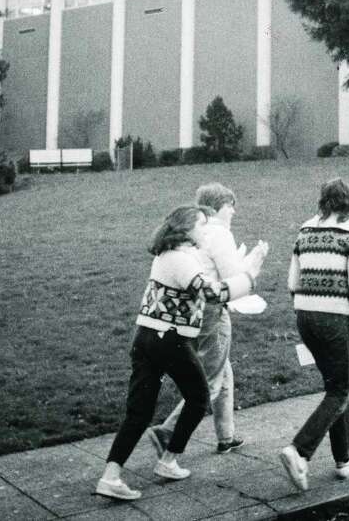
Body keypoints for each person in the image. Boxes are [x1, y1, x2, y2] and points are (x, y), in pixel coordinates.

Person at [95, 205, 268, 501]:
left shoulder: (171, 255)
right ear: (186, 230)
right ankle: (169, 461)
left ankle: (111, 477)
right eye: (201, 225)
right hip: (169, 340)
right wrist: (250, 276)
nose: (206, 230)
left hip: (146, 337)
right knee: (199, 398)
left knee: (139, 412)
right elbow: (211, 293)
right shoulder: (180, 259)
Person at [278, 178, 349, 492]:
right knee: (339, 390)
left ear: (324, 201)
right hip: (333, 319)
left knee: (336, 386)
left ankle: (344, 459)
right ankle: (299, 451)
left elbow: (293, 280)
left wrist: (304, 306)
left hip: (304, 316)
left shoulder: (306, 230)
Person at [146, 183, 248, 455]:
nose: (233, 212)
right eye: (230, 206)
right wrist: (250, 268)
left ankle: (226, 436)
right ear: (217, 207)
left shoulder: (195, 232)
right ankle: (167, 431)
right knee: (211, 379)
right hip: (213, 308)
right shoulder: (220, 233)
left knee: (223, 371)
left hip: (193, 310)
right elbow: (231, 276)